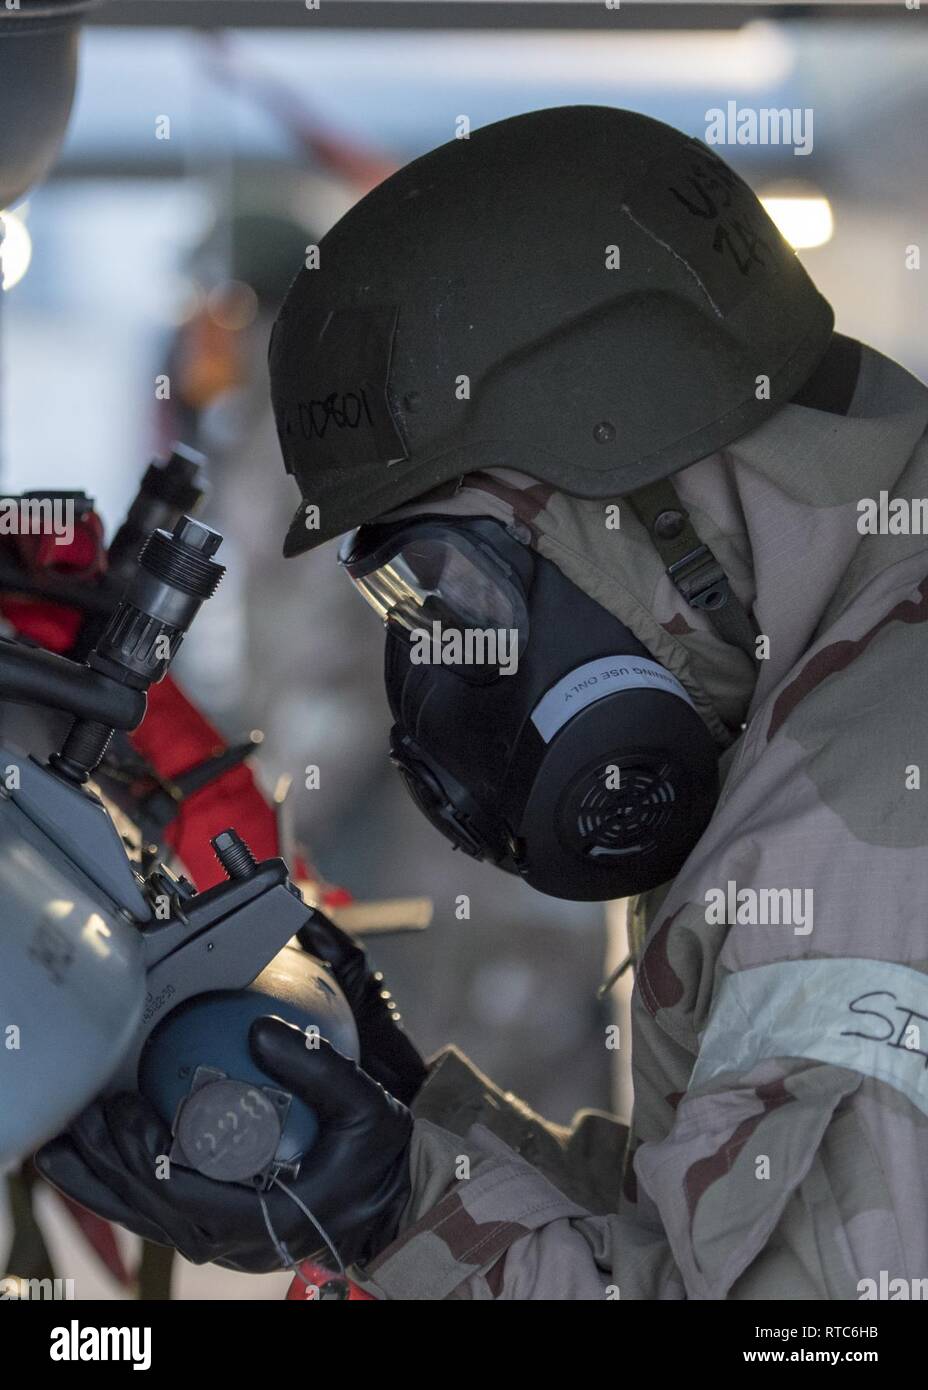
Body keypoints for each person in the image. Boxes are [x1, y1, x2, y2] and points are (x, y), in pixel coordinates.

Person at [38, 106, 928, 1300]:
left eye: (456, 581)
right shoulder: (835, 674)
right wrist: (416, 1127)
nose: (447, 674)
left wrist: (385, 1211)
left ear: (637, 468)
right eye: (405, 602)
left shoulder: (848, 826)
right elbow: (711, 1231)